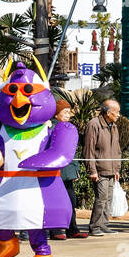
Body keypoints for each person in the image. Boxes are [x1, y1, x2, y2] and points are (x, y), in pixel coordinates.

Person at [84, 98, 122, 236]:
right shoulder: (94, 125)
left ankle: (104, 224)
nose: (118, 115)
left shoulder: (114, 126)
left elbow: (117, 149)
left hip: (111, 169)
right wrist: (92, 170)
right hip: (99, 170)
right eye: (116, 112)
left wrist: (117, 169)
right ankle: (94, 226)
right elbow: (89, 149)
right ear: (107, 112)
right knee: (101, 198)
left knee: (108, 199)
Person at [50, 99, 86, 240]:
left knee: (71, 201)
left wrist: (75, 170)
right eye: (65, 112)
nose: (68, 115)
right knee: (56, 202)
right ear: (56, 114)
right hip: (54, 173)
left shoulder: (69, 128)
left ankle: (72, 229)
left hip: (68, 172)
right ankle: (56, 230)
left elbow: (73, 152)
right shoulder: (50, 128)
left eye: (69, 112)